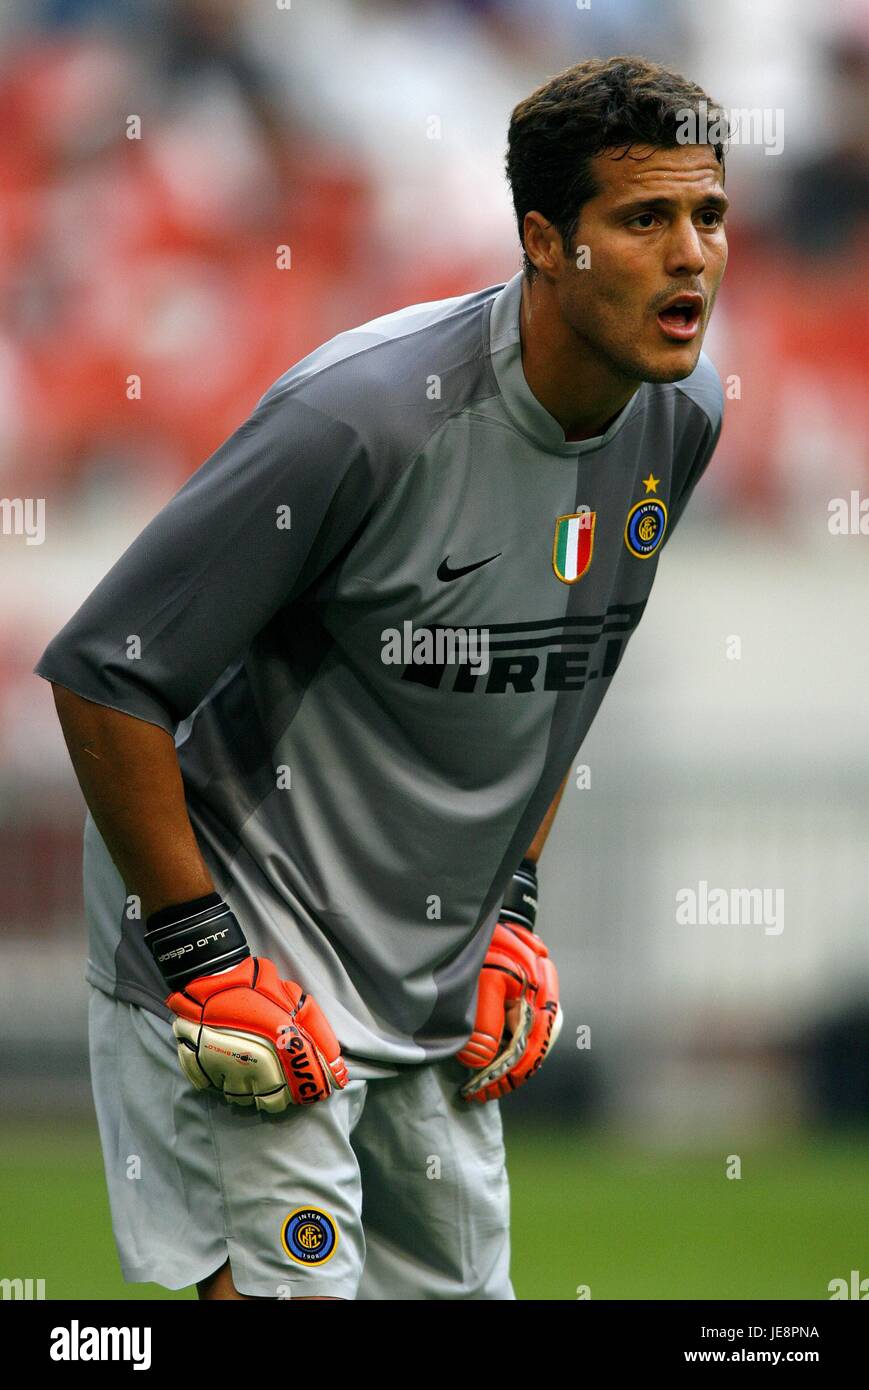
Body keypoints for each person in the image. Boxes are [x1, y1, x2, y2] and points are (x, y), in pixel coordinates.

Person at [35, 55, 729, 1301]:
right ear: (542, 241)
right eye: (642, 219)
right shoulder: (366, 417)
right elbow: (103, 673)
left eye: (708, 216)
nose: (690, 256)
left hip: (427, 974)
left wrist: (509, 907)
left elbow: (560, 679)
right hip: (250, 952)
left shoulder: (680, 416)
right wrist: (203, 954)